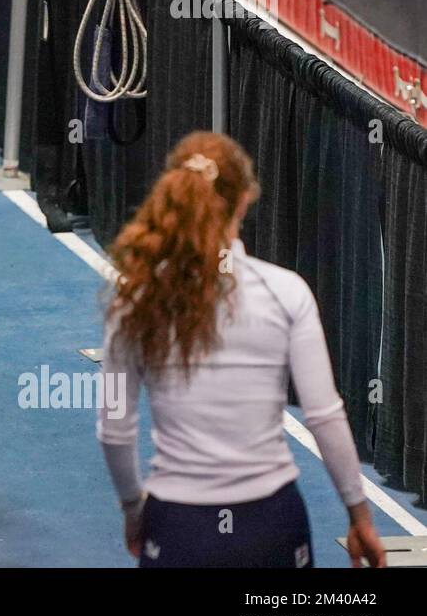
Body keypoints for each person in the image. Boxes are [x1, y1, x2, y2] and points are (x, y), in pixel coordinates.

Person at [97, 131, 385, 568]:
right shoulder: (286, 292)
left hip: (177, 527)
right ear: (245, 199)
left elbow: (115, 429)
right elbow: (324, 414)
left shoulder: (135, 298)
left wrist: (134, 510)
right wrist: (358, 514)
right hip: (269, 523)